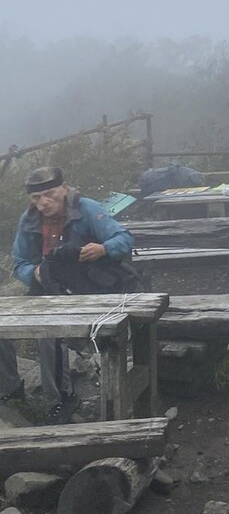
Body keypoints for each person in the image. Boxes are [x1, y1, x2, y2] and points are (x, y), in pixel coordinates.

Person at [9, 165, 138, 421]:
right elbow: (19, 262)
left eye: (49, 194)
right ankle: (16, 393)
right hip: (49, 289)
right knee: (19, 328)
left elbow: (124, 238)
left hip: (91, 287)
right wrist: (34, 273)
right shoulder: (29, 219)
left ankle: (84, 397)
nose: (43, 203)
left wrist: (103, 248)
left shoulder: (86, 208)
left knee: (59, 333)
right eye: (36, 198)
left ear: (64, 189)